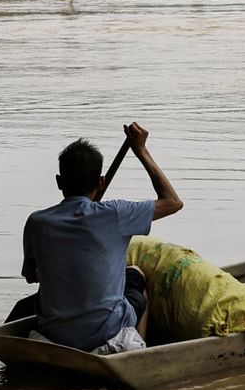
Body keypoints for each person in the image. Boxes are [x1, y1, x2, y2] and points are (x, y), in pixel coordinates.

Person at [17, 123, 183, 354]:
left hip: (55, 331)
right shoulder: (115, 214)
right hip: (105, 330)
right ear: (100, 183)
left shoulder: (36, 222)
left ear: (59, 182)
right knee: (136, 274)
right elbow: (173, 202)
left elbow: (31, 276)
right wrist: (141, 151)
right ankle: (138, 350)